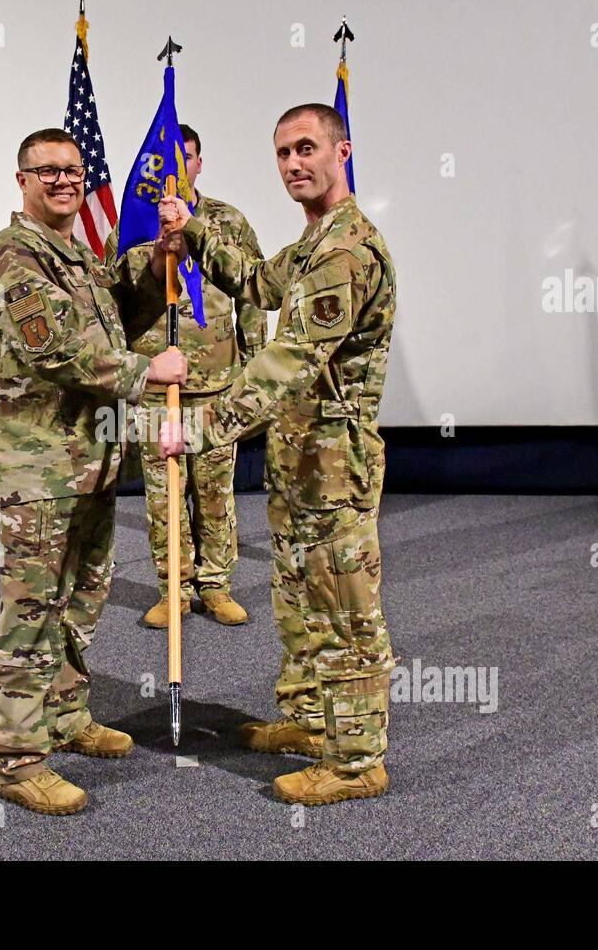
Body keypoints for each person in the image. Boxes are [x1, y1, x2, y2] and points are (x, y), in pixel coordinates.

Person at [157, 104, 397, 806]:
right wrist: (194, 231)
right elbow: (259, 282)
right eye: (283, 154)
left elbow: (290, 357)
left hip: (333, 464)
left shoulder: (349, 248)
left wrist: (206, 426)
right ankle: (310, 718)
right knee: (298, 597)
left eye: (306, 149)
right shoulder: (311, 243)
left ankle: (356, 761)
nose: (294, 164)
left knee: (345, 607)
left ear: (342, 149)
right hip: (300, 464)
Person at [0, 128, 186, 815]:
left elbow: (117, 312)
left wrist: (163, 258)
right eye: (49, 171)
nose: (65, 181)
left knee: (79, 604)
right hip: (37, 469)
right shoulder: (13, 257)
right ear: (22, 180)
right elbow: (53, 346)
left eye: (73, 170)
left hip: (89, 462)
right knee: (32, 614)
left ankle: (64, 716)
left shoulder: (76, 256)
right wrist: (145, 371)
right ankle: (16, 758)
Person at [105, 123, 267, 629]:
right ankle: (173, 588)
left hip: (218, 385)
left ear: (199, 163)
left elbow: (251, 296)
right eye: (170, 159)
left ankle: (216, 586)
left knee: (217, 493)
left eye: (188, 157)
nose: (179, 167)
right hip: (157, 388)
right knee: (164, 495)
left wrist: (256, 369)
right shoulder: (134, 223)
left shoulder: (226, 221)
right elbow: (115, 296)